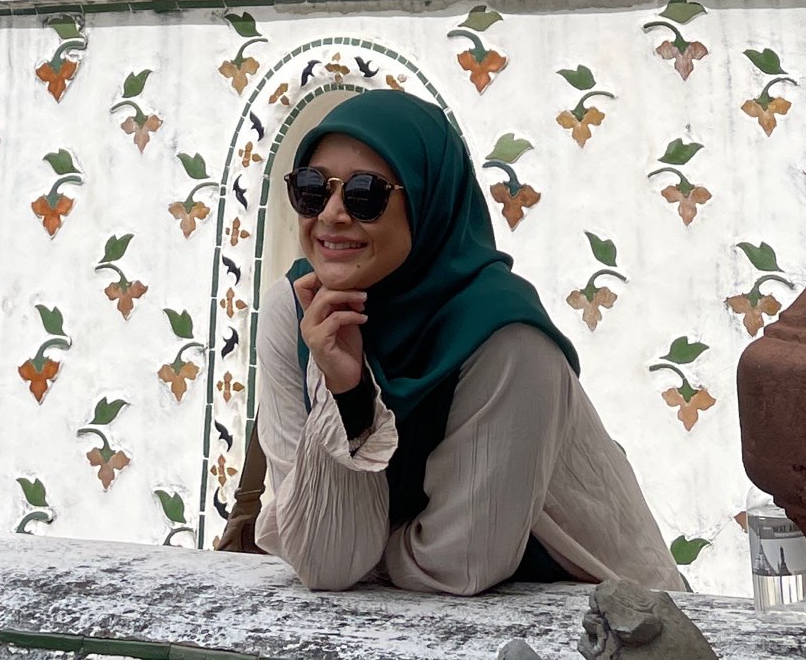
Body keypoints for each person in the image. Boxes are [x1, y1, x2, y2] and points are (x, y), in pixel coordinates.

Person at [253, 90, 678, 593]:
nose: (333, 214)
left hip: (592, 609)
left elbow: (461, 563)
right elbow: (327, 564)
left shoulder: (506, 337)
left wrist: (370, 558)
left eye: (365, 194)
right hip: (405, 623)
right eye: (312, 189)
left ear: (432, 201)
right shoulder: (297, 314)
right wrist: (347, 395)